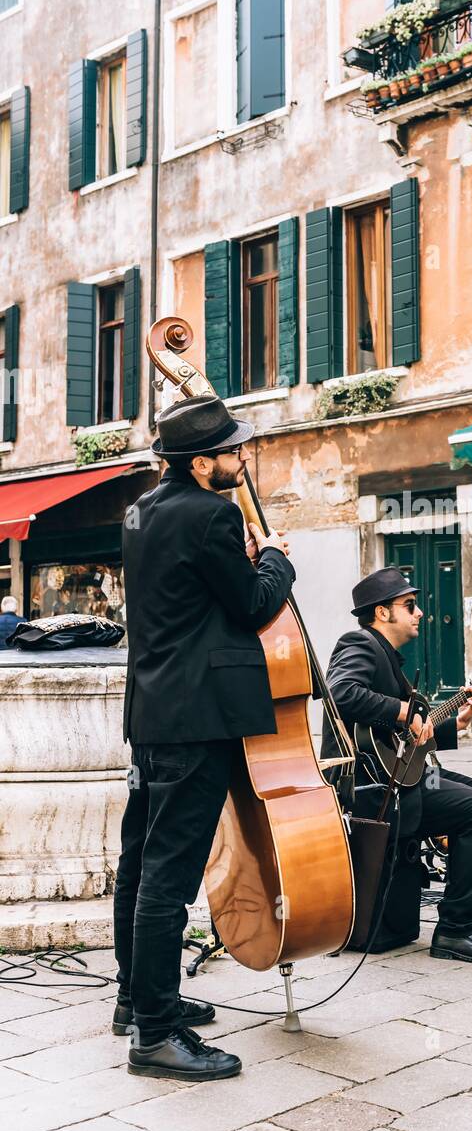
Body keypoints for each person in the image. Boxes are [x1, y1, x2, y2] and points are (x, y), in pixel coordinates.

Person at [114, 395, 294, 1081]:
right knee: (170, 874)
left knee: (141, 860)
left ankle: (137, 1000)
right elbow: (252, 604)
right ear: (201, 464)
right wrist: (275, 557)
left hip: (152, 712)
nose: (241, 459)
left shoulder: (140, 511)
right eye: (232, 452)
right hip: (197, 717)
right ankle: (155, 1038)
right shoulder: (213, 513)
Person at [323, 567, 472, 964]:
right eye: (409, 606)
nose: (419, 614)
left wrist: (457, 723)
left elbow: (408, 738)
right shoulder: (360, 644)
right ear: (382, 613)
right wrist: (402, 710)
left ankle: (471, 908)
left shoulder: (389, 660)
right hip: (373, 791)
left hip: (396, 778)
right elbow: (341, 693)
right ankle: (455, 930)